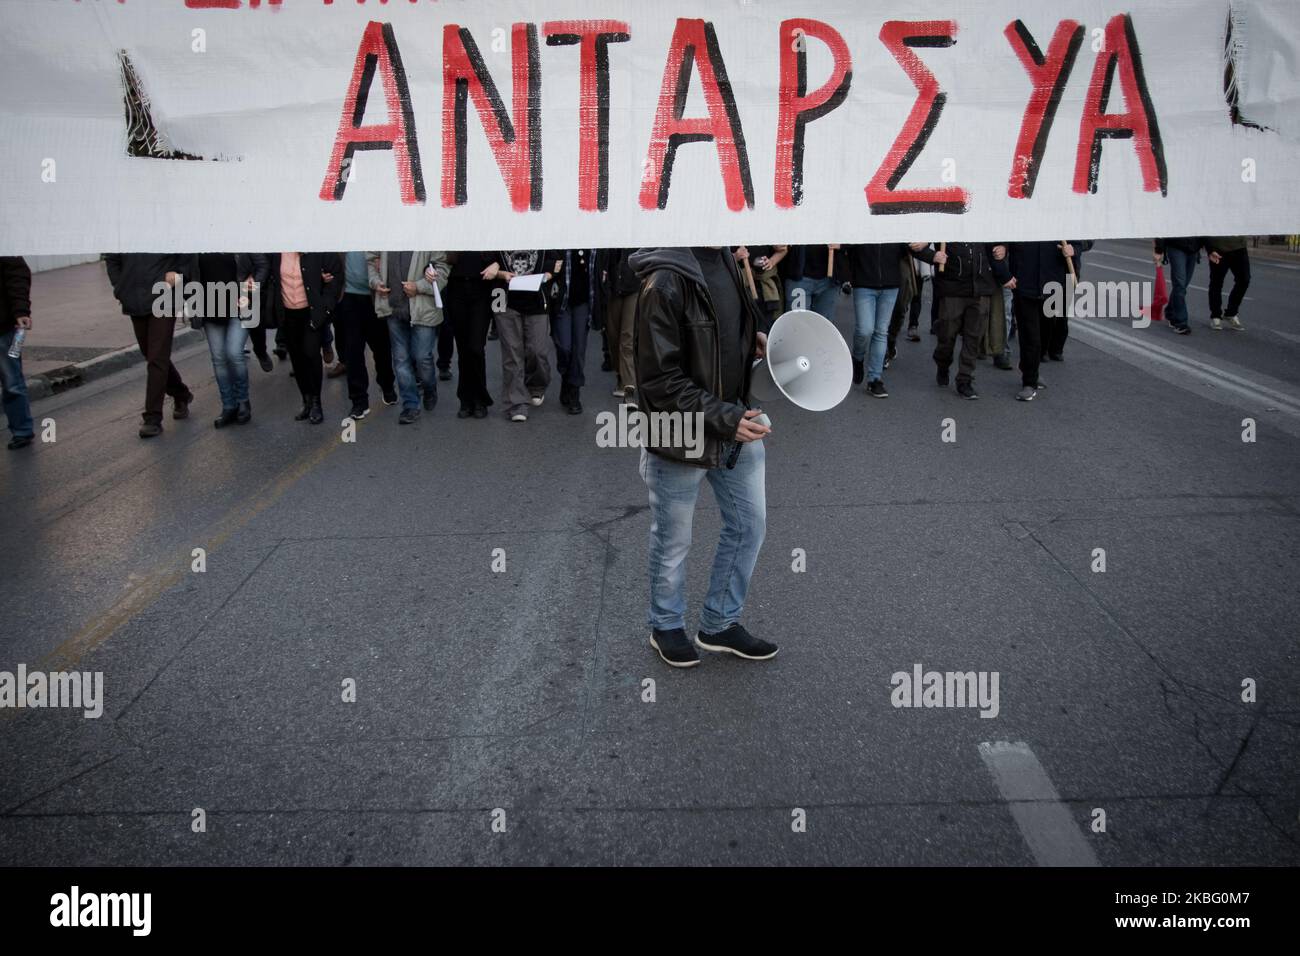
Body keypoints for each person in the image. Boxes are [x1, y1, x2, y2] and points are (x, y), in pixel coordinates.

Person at [630, 246, 777, 669]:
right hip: (681, 432)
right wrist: (727, 418)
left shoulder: (729, 259)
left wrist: (754, 339)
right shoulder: (664, 280)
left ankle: (719, 624)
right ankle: (665, 626)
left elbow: (720, 333)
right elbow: (658, 380)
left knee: (749, 526)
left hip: (735, 419)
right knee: (674, 539)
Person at [104, 253, 196, 438]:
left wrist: (179, 274)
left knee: (156, 358)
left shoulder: (166, 226)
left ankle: (152, 418)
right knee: (152, 355)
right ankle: (181, 394)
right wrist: (120, 287)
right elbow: (112, 258)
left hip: (165, 298)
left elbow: (186, 253)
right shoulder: (123, 229)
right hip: (135, 298)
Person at [910, 242, 1006, 400]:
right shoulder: (943, 220)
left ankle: (965, 379)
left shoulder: (984, 221)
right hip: (952, 288)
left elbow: (999, 236)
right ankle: (943, 363)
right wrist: (932, 256)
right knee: (946, 334)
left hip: (980, 288)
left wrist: (1004, 248)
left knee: (973, 337)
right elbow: (916, 245)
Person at [370, 251, 450, 425]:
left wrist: (419, 286)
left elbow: (443, 270)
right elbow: (370, 260)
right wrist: (376, 282)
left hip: (423, 309)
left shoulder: (428, 234)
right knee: (400, 360)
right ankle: (410, 405)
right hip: (393, 308)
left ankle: (429, 388)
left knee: (422, 358)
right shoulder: (385, 234)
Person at [269, 251, 342, 425]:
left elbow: (336, 276)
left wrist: (325, 307)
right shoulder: (275, 252)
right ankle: (306, 401)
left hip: (311, 313)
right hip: (287, 315)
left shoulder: (317, 249)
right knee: (297, 358)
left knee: (311, 354)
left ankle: (317, 402)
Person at [487, 250, 561, 423]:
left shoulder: (542, 229)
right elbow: (486, 258)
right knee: (512, 352)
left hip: (536, 297)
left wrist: (547, 275)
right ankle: (516, 403)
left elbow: (556, 259)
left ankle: (536, 385)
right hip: (504, 297)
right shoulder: (497, 231)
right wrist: (499, 271)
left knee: (537, 349)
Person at [1002, 241, 1081, 402]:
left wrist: (1075, 248)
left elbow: (1083, 236)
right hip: (1024, 281)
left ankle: (1030, 367)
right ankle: (1029, 383)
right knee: (1030, 336)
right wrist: (1003, 248)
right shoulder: (1019, 217)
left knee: (1045, 334)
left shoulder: (1062, 218)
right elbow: (1004, 231)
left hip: (1053, 283)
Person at [336, 251, 396, 421]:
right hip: (348, 297)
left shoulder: (377, 230)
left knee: (382, 348)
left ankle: (387, 385)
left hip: (376, 296)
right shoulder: (342, 232)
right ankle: (359, 401)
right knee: (353, 351)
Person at [195, 253, 252, 428]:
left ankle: (243, 401)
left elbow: (261, 263)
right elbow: (188, 271)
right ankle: (229, 405)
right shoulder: (196, 243)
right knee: (219, 358)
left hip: (240, 305)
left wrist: (252, 284)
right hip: (210, 306)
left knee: (234, 353)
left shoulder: (240, 236)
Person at [845, 243, 908, 397]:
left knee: (881, 331)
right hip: (864, 282)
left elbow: (908, 244)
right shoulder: (860, 223)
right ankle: (858, 357)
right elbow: (847, 241)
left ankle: (874, 379)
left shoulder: (896, 224)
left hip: (890, 283)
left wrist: (930, 254)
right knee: (865, 330)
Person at [439, 252, 495, 419]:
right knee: (463, 349)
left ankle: (480, 399)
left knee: (476, 347)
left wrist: (497, 263)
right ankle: (465, 400)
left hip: (482, 288)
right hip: (456, 288)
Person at [551, 249, 594, 416]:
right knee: (564, 346)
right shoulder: (561, 235)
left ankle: (574, 392)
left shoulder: (595, 242)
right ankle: (566, 376)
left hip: (584, 301)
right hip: (562, 300)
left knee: (579, 349)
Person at [0, 256, 35, 450]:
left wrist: (21, 311)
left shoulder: (4, 241)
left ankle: (21, 430)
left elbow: (18, 276)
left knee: (12, 382)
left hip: (3, 328)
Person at [597, 248, 639, 401]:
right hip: (612, 287)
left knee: (627, 338)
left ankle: (629, 388)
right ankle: (621, 376)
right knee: (613, 338)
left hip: (634, 285)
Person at [1045, 240, 1093, 360]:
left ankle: (1056, 348)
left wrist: (1074, 249)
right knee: (1045, 311)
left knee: (1061, 313)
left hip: (1068, 270)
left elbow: (1088, 241)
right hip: (1046, 270)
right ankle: (1042, 348)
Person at [1154, 237, 1204, 335]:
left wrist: (1210, 248)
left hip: (1193, 249)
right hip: (1176, 247)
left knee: (1182, 286)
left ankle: (1170, 312)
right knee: (1180, 286)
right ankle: (1181, 323)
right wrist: (1159, 249)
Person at [779, 244, 842, 321]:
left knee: (823, 326)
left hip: (830, 278)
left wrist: (842, 244)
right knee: (797, 324)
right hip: (797, 274)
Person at [1206, 237, 1250, 332]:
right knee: (1216, 282)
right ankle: (1216, 316)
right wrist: (1210, 249)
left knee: (1244, 279)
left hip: (1239, 247)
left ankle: (1231, 313)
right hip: (1218, 247)